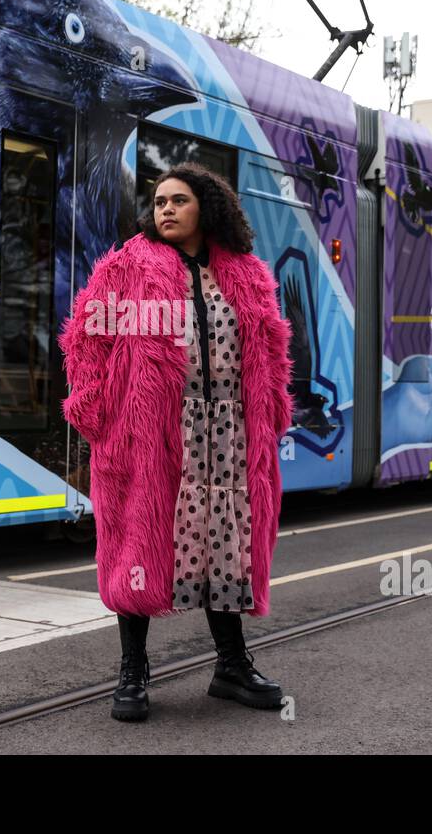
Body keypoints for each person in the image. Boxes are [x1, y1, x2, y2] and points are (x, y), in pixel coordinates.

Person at [58, 162, 295, 722]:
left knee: (223, 542)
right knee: (141, 542)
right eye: (159, 200)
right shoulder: (127, 267)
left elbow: (271, 353)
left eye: (178, 200)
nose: (165, 208)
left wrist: (272, 412)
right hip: (152, 433)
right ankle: (133, 671)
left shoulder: (247, 275)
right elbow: (85, 340)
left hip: (227, 432)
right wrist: (99, 414)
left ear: (205, 208)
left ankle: (231, 664)